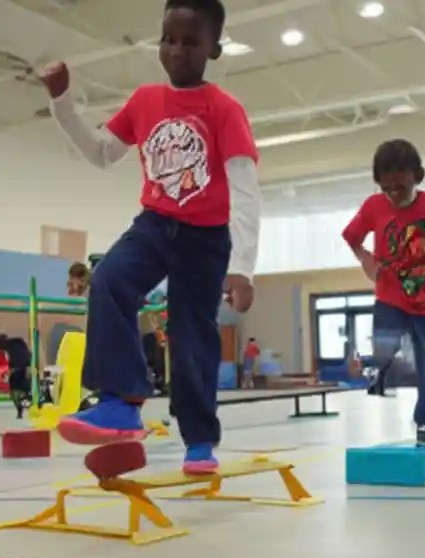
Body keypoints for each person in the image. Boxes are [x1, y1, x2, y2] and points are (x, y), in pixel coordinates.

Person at [38, 0, 261, 475]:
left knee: (191, 335)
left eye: (191, 41)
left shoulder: (224, 109)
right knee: (109, 279)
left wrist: (244, 266)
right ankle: (121, 400)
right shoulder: (145, 101)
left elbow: (245, 190)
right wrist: (62, 104)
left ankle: (199, 440)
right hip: (155, 224)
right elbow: (101, 153)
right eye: (169, 39)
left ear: (214, 50)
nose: (177, 51)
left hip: (205, 237)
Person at [343, 139, 425, 446]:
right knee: (385, 349)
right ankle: (378, 376)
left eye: (401, 187)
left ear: (417, 177)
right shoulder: (373, 207)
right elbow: (352, 237)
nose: (394, 195)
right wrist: (366, 260)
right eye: (388, 189)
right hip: (389, 296)